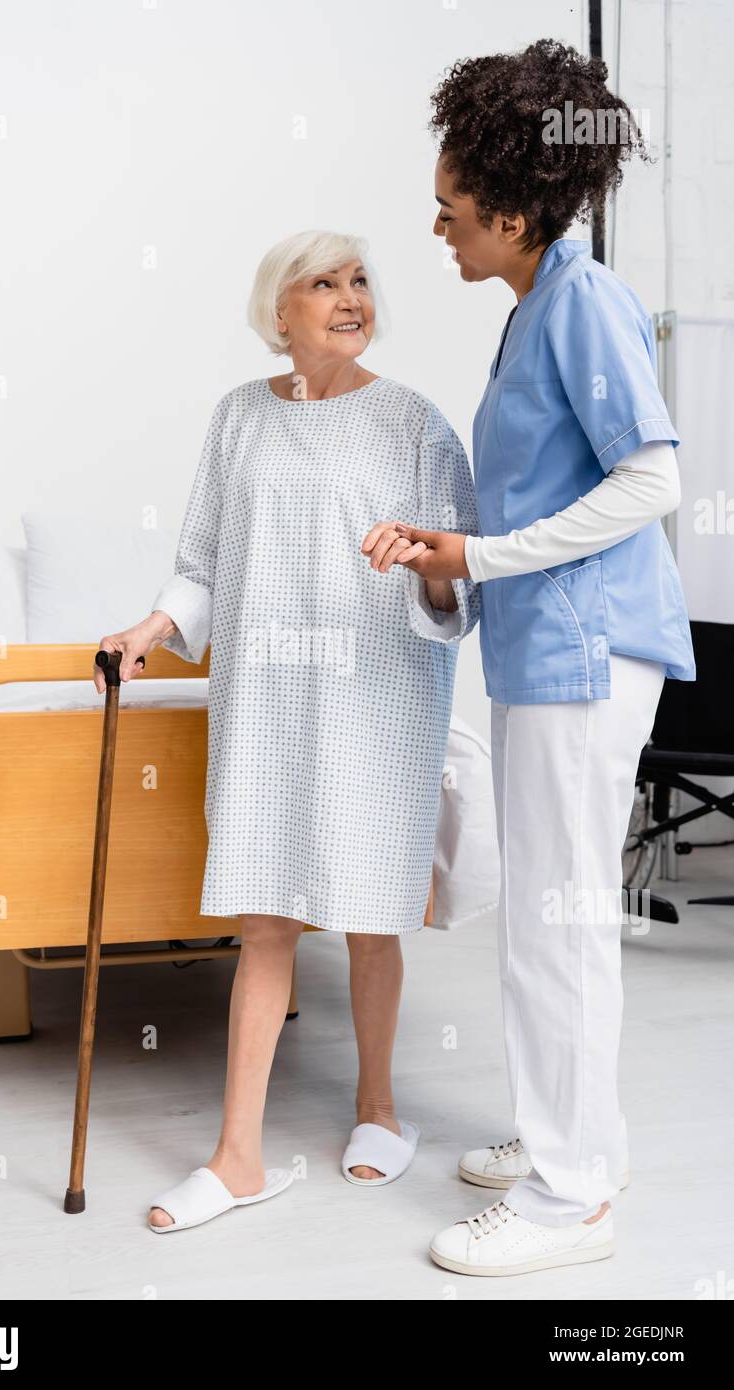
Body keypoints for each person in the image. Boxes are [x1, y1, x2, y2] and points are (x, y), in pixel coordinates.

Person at [363, 39, 695, 1276]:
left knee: (559, 926)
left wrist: (482, 555)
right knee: (544, 923)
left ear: (510, 207)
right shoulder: (534, 307)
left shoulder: (587, 301)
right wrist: (452, 563)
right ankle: (571, 1142)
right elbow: (518, 517)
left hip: (588, 652)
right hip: (543, 657)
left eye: (451, 209)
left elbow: (652, 478)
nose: (438, 227)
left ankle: (569, 1201)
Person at [93, 229, 480, 1233]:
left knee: (371, 912)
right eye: (323, 284)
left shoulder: (416, 426)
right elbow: (203, 563)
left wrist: (427, 562)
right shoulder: (240, 420)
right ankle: (238, 1158)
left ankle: (381, 1110)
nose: (350, 298)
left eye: (359, 281)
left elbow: (459, 577)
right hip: (266, 697)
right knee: (263, 916)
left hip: (378, 695)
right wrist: (154, 626)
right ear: (282, 311)